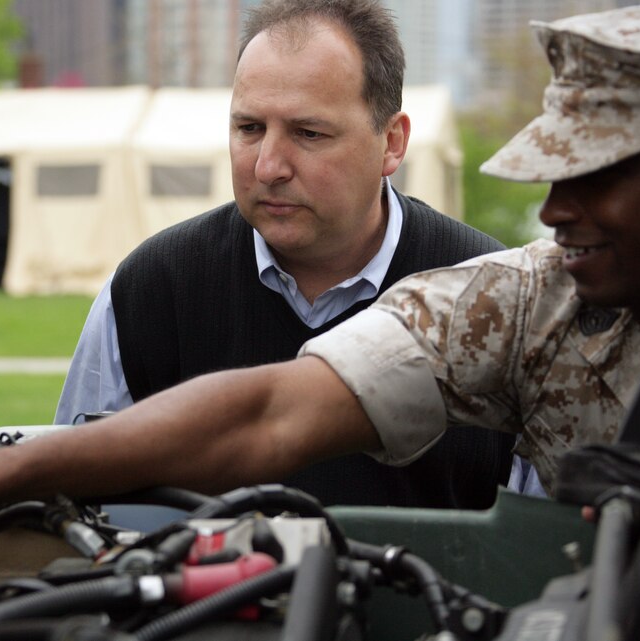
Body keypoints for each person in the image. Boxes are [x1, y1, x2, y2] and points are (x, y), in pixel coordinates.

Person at [0, 2, 640, 576]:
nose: (555, 208)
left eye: (598, 176)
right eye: (248, 127)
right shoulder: (525, 305)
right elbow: (272, 412)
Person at [54, 0, 513, 509]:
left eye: (308, 133)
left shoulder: (494, 303)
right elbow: (74, 507)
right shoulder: (150, 290)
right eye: (249, 128)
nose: (269, 166)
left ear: (392, 142)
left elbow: (550, 547)